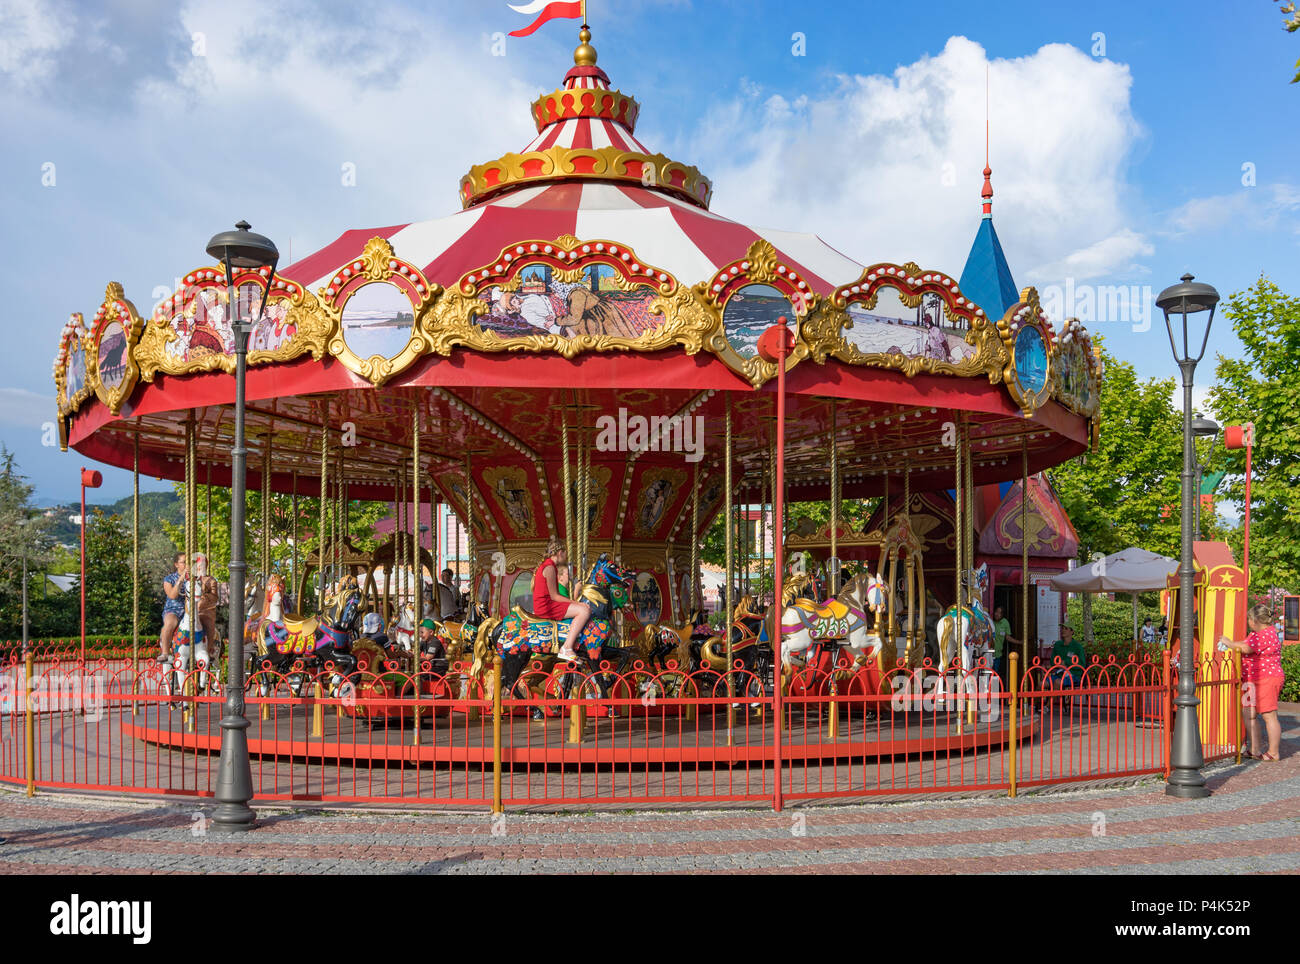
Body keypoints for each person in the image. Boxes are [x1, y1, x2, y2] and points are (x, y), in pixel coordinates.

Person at [1220, 603, 1285, 761]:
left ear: (1255, 620)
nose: (1248, 621)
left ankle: (1273, 752)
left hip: (1266, 678)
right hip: (1252, 678)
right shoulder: (1256, 633)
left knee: (1269, 715)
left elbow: (1247, 648)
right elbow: (1244, 645)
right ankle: (1254, 749)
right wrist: (1234, 644)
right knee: (1248, 712)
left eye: (1249, 618)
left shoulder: (1266, 634)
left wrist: (1229, 642)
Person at [533, 539, 589, 662]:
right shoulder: (549, 567)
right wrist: (578, 603)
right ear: (560, 552)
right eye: (565, 553)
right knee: (584, 611)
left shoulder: (548, 565)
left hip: (546, 604)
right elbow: (555, 596)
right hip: (546, 606)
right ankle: (567, 647)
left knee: (583, 609)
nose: (566, 556)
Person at [158, 552, 187, 662]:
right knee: (170, 623)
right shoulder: (169, 579)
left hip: (191, 610)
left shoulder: (194, 578)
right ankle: (165, 653)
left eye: (188, 562)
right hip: (174, 610)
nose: (187, 565)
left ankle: (211, 649)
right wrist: (182, 578)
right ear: (176, 564)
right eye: (184, 562)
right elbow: (172, 595)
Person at [192, 553, 220, 657]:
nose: (200, 567)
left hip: (205, 610)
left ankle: (209, 648)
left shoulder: (211, 580)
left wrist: (204, 594)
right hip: (191, 609)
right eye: (199, 565)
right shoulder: (191, 579)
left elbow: (214, 597)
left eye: (203, 565)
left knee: (208, 624)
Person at [990, 606, 1020, 681]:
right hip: (988, 653)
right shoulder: (990, 621)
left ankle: (995, 691)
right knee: (986, 673)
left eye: (1000, 613)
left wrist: (1020, 642)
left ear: (1002, 615)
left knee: (995, 674)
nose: (997, 614)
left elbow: (1007, 637)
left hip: (997, 654)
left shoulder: (1005, 623)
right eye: (996, 612)